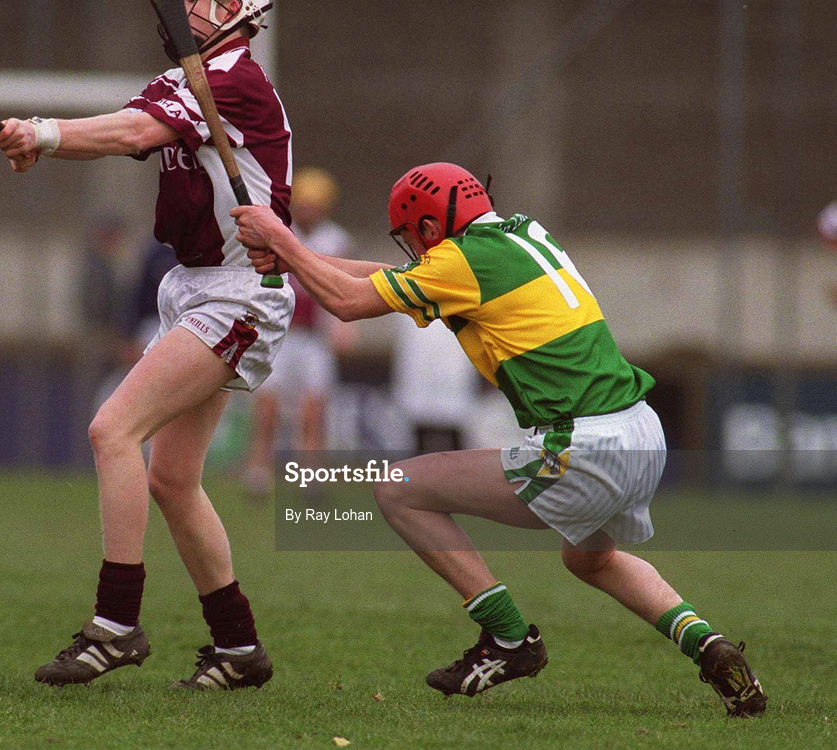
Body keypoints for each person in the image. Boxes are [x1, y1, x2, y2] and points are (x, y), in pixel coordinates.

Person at [231, 162, 767, 717]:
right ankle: (708, 645)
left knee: (398, 488)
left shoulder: (462, 262)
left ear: (431, 227)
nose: (413, 248)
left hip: (583, 446)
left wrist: (279, 239)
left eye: (413, 234)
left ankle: (510, 639)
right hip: (640, 431)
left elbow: (346, 302)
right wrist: (294, 253)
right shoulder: (519, 233)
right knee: (591, 561)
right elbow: (384, 277)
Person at [0, 0, 295, 691]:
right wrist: (50, 141)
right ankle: (237, 647)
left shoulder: (235, 82)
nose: (185, 6)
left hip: (240, 289)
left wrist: (44, 133)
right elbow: (134, 124)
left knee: (111, 429)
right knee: (174, 478)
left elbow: (131, 135)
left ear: (240, 15)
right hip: (194, 284)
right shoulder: (180, 82)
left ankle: (114, 625)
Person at [243, 167, 354, 495]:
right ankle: (258, 469)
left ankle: (311, 475)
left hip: (313, 338)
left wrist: (343, 327)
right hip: (278, 333)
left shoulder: (337, 240)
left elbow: (345, 286)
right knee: (267, 407)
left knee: (313, 409)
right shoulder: (280, 232)